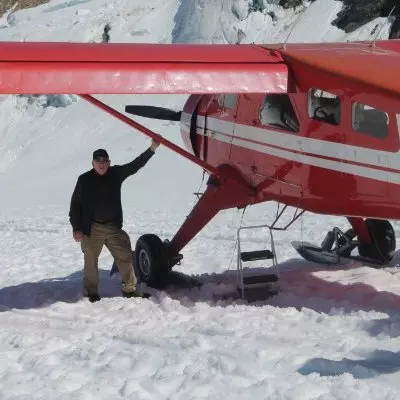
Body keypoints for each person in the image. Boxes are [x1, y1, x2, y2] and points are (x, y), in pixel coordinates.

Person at [69, 138, 160, 302]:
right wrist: (77, 228)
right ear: (92, 163)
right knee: (90, 262)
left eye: (104, 161)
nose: (101, 164)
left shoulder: (116, 174)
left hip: (113, 227)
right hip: (91, 228)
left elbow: (135, 165)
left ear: (109, 162)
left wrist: (152, 149)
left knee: (125, 257)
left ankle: (129, 290)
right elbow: (75, 205)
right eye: (98, 161)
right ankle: (91, 293)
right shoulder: (84, 179)